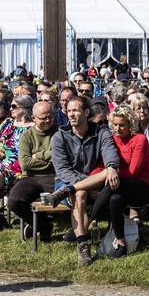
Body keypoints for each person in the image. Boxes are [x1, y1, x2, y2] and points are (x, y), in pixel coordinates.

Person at [51, 96, 122, 265]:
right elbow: (62, 170)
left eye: (75, 110)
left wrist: (111, 166)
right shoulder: (60, 136)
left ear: (86, 112)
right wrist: (85, 183)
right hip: (67, 182)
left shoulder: (101, 132)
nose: (71, 115)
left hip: (95, 179)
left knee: (109, 170)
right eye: (69, 111)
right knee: (80, 193)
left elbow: (110, 151)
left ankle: (71, 193)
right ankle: (83, 245)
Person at [82, 109, 149, 258]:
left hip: (141, 187)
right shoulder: (113, 140)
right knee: (115, 199)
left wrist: (108, 179)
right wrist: (93, 181)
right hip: (117, 188)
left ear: (131, 124)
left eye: (122, 125)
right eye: (114, 124)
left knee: (116, 181)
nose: (117, 129)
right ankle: (121, 244)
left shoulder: (139, 139)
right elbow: (102, 167)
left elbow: (133, 172)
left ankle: (89, 221)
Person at [0, 95, 33, 234]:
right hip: (6, 165)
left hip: (26, 166)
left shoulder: (34, 127)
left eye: (14, 106)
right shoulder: (8, 123)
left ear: (25, 108)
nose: (10, 109)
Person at [6, 101, 60, 242]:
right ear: (34, 117)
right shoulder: (27, 136)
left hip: (54, 176)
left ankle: (43, 226)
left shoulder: (60, 133)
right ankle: (43, 225)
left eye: (50, 117)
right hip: (30, 178)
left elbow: (59, 159)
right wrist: (50, 156)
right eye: (43, 118)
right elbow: (26, 164)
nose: (48, 121)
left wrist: (40, 155)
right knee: (14, 201)